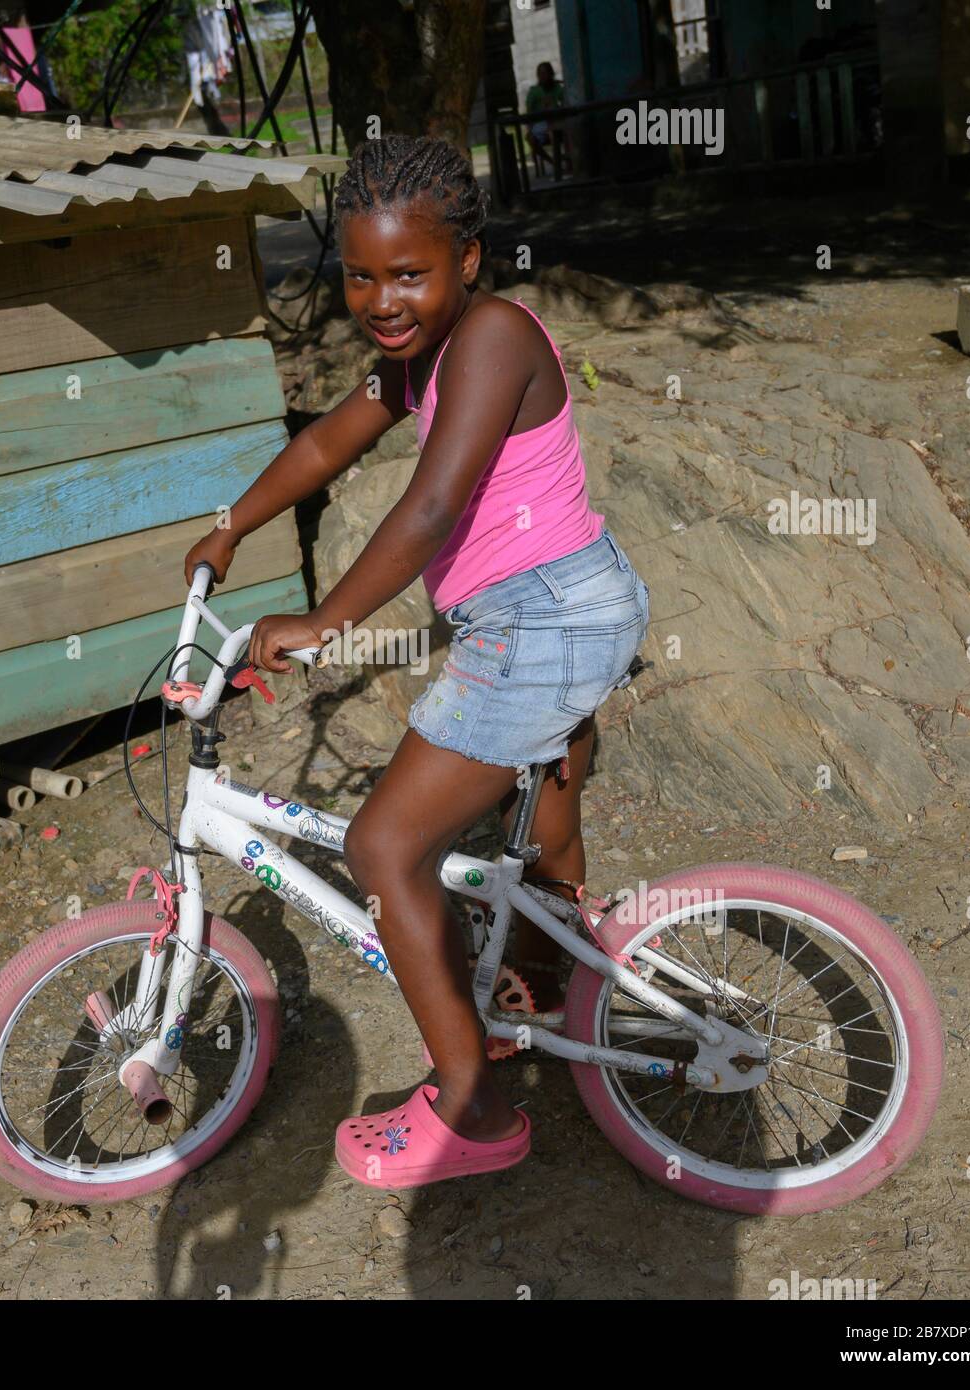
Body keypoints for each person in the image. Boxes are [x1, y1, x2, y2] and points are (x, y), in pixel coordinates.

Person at [184, 135, 648, 1188]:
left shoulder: (488, 337)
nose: (383, 298)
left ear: (468, 262)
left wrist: (324, 618)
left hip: (542, 621)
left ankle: (474, 1108)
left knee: (386, 847)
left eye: (408, 273)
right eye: (360, 274)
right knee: (546, 814)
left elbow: (432, 503)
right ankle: (548, 983)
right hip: (562, 603)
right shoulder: (418, 355)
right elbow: (323, 445)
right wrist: (232, 525)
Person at [525, 61, 569, 175]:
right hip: (542, 126)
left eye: (545, 73)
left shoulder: (557, 88)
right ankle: (555, 163)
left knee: (569, 130)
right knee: (530, 138)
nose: (542, 76)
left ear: (551, 74)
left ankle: (569, 162)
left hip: (557, 123)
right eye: (540, 74)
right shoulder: (534, 91)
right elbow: (529, 113)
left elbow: (565, 102)